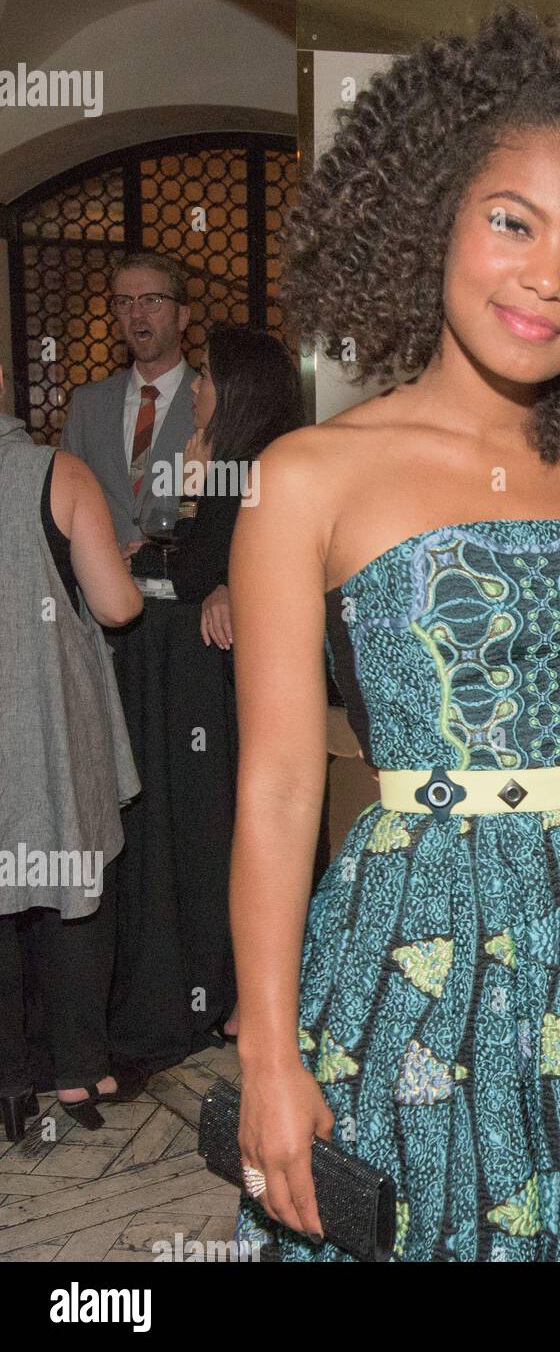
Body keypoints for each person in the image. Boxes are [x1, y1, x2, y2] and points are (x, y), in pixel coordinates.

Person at [230, 6, 560, 1262]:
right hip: (414, 955)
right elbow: (283, 788)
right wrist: (266, 1051)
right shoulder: (308, 475)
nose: (551, 280)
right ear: (435, 216)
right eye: (515, 222)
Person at [60, 251, 239, 1073]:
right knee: (122, 796)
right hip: (112, 633)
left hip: (187, 633)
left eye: (153, 300)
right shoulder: (90, 406)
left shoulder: (217, 398)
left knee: (185, 797)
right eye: (124, 301)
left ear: (181, 312)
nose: (137, 315)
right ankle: (133, 971)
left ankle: (199, 981)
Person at [129, 324, 312, 1048]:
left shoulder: (263, 463)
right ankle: (236, 991)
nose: (195, 389)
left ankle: (253, 998)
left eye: (204, 378)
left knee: (242, 828)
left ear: (237, 391)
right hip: (220, 678)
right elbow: (173, 545)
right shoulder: (229, 456)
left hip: (256, 687)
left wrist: (215, 573)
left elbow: (190, 568)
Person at [0, 362, 149, 1137]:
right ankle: (76, 1072)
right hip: (50, 720)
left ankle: (7, 1078)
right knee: (70, 879)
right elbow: (120, 608)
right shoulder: (59, 474)